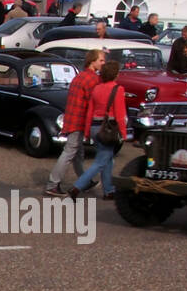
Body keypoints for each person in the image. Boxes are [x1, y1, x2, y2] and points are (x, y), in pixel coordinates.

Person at [45, 48, 104, 196]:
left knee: (77, 153)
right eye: (101, 60)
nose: (103, 63)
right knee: (70, 152)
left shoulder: (79, 76)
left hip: (71, 118)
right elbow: (94, 102)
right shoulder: (93, 79)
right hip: (79, 120)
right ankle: (53, 184)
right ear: (92, 61)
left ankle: (84, 181)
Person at [71, 60, 126, 200]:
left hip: (95, 127)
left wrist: (88, 131)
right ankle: (77, 186)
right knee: (101, 161)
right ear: (115, 74)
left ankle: (108, 190)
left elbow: (90, 111)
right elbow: (120, 114)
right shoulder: (118, 89)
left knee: (107, 159)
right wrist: (123, 133)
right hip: (109, 128)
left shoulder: (97, 88)